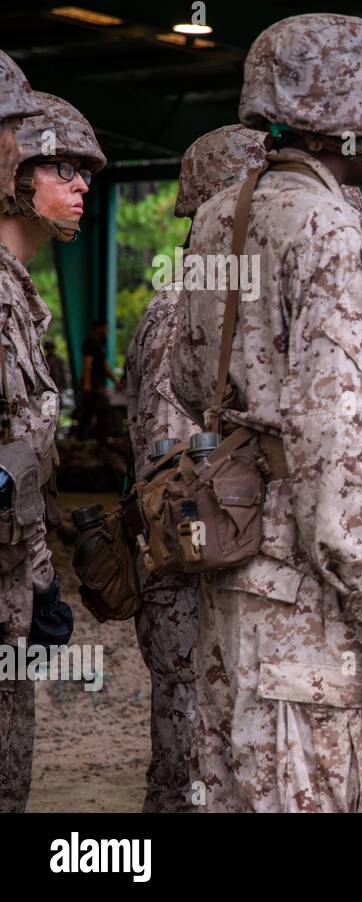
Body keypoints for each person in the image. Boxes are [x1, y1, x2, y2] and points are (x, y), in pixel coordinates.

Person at [169, 13, 362, 812]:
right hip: (308, 605)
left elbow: (191, 382)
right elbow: (337, 447)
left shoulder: (224, 214)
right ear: (358, 120)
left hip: (235, 574)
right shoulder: (326, 227)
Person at [123, 124, 266, 812]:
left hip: (225, 562)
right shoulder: (182, 306)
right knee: (187, 763)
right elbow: (166, 473)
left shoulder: (234, 300)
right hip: (187, 569)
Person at [0, 87, 99, 811]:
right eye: (60, 167)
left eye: (85, 170)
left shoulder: (23, 301)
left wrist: (38, 578)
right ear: (12, 176)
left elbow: (18, 463)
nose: (81, 183)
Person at [78, 319, 115, 442]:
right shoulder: (90, 342)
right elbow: (87, 364)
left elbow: (104, 364)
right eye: (106, 328)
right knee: (103, 408)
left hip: (97, 381)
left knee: (88, 411)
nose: (107, 331)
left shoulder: (101, 343)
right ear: (100, 328)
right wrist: (87, 384)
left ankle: (83, 438)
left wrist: (115, 380)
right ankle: (102, 439)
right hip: (92, 381)